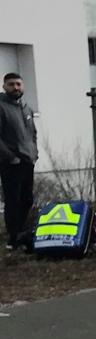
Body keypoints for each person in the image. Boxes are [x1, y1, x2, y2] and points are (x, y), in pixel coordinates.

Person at [0, 73, 36, 249]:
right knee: (13, 201)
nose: (15, 87)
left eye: (18, 84)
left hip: (28, 161)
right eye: (11, 84)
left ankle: (23, 234)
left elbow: (32, 133)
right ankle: (13, 238)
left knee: (27, 199)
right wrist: (10, 157)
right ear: (4, 86)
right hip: (11, 163)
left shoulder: (26, 108)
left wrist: (34, 153)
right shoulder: (2, 107)